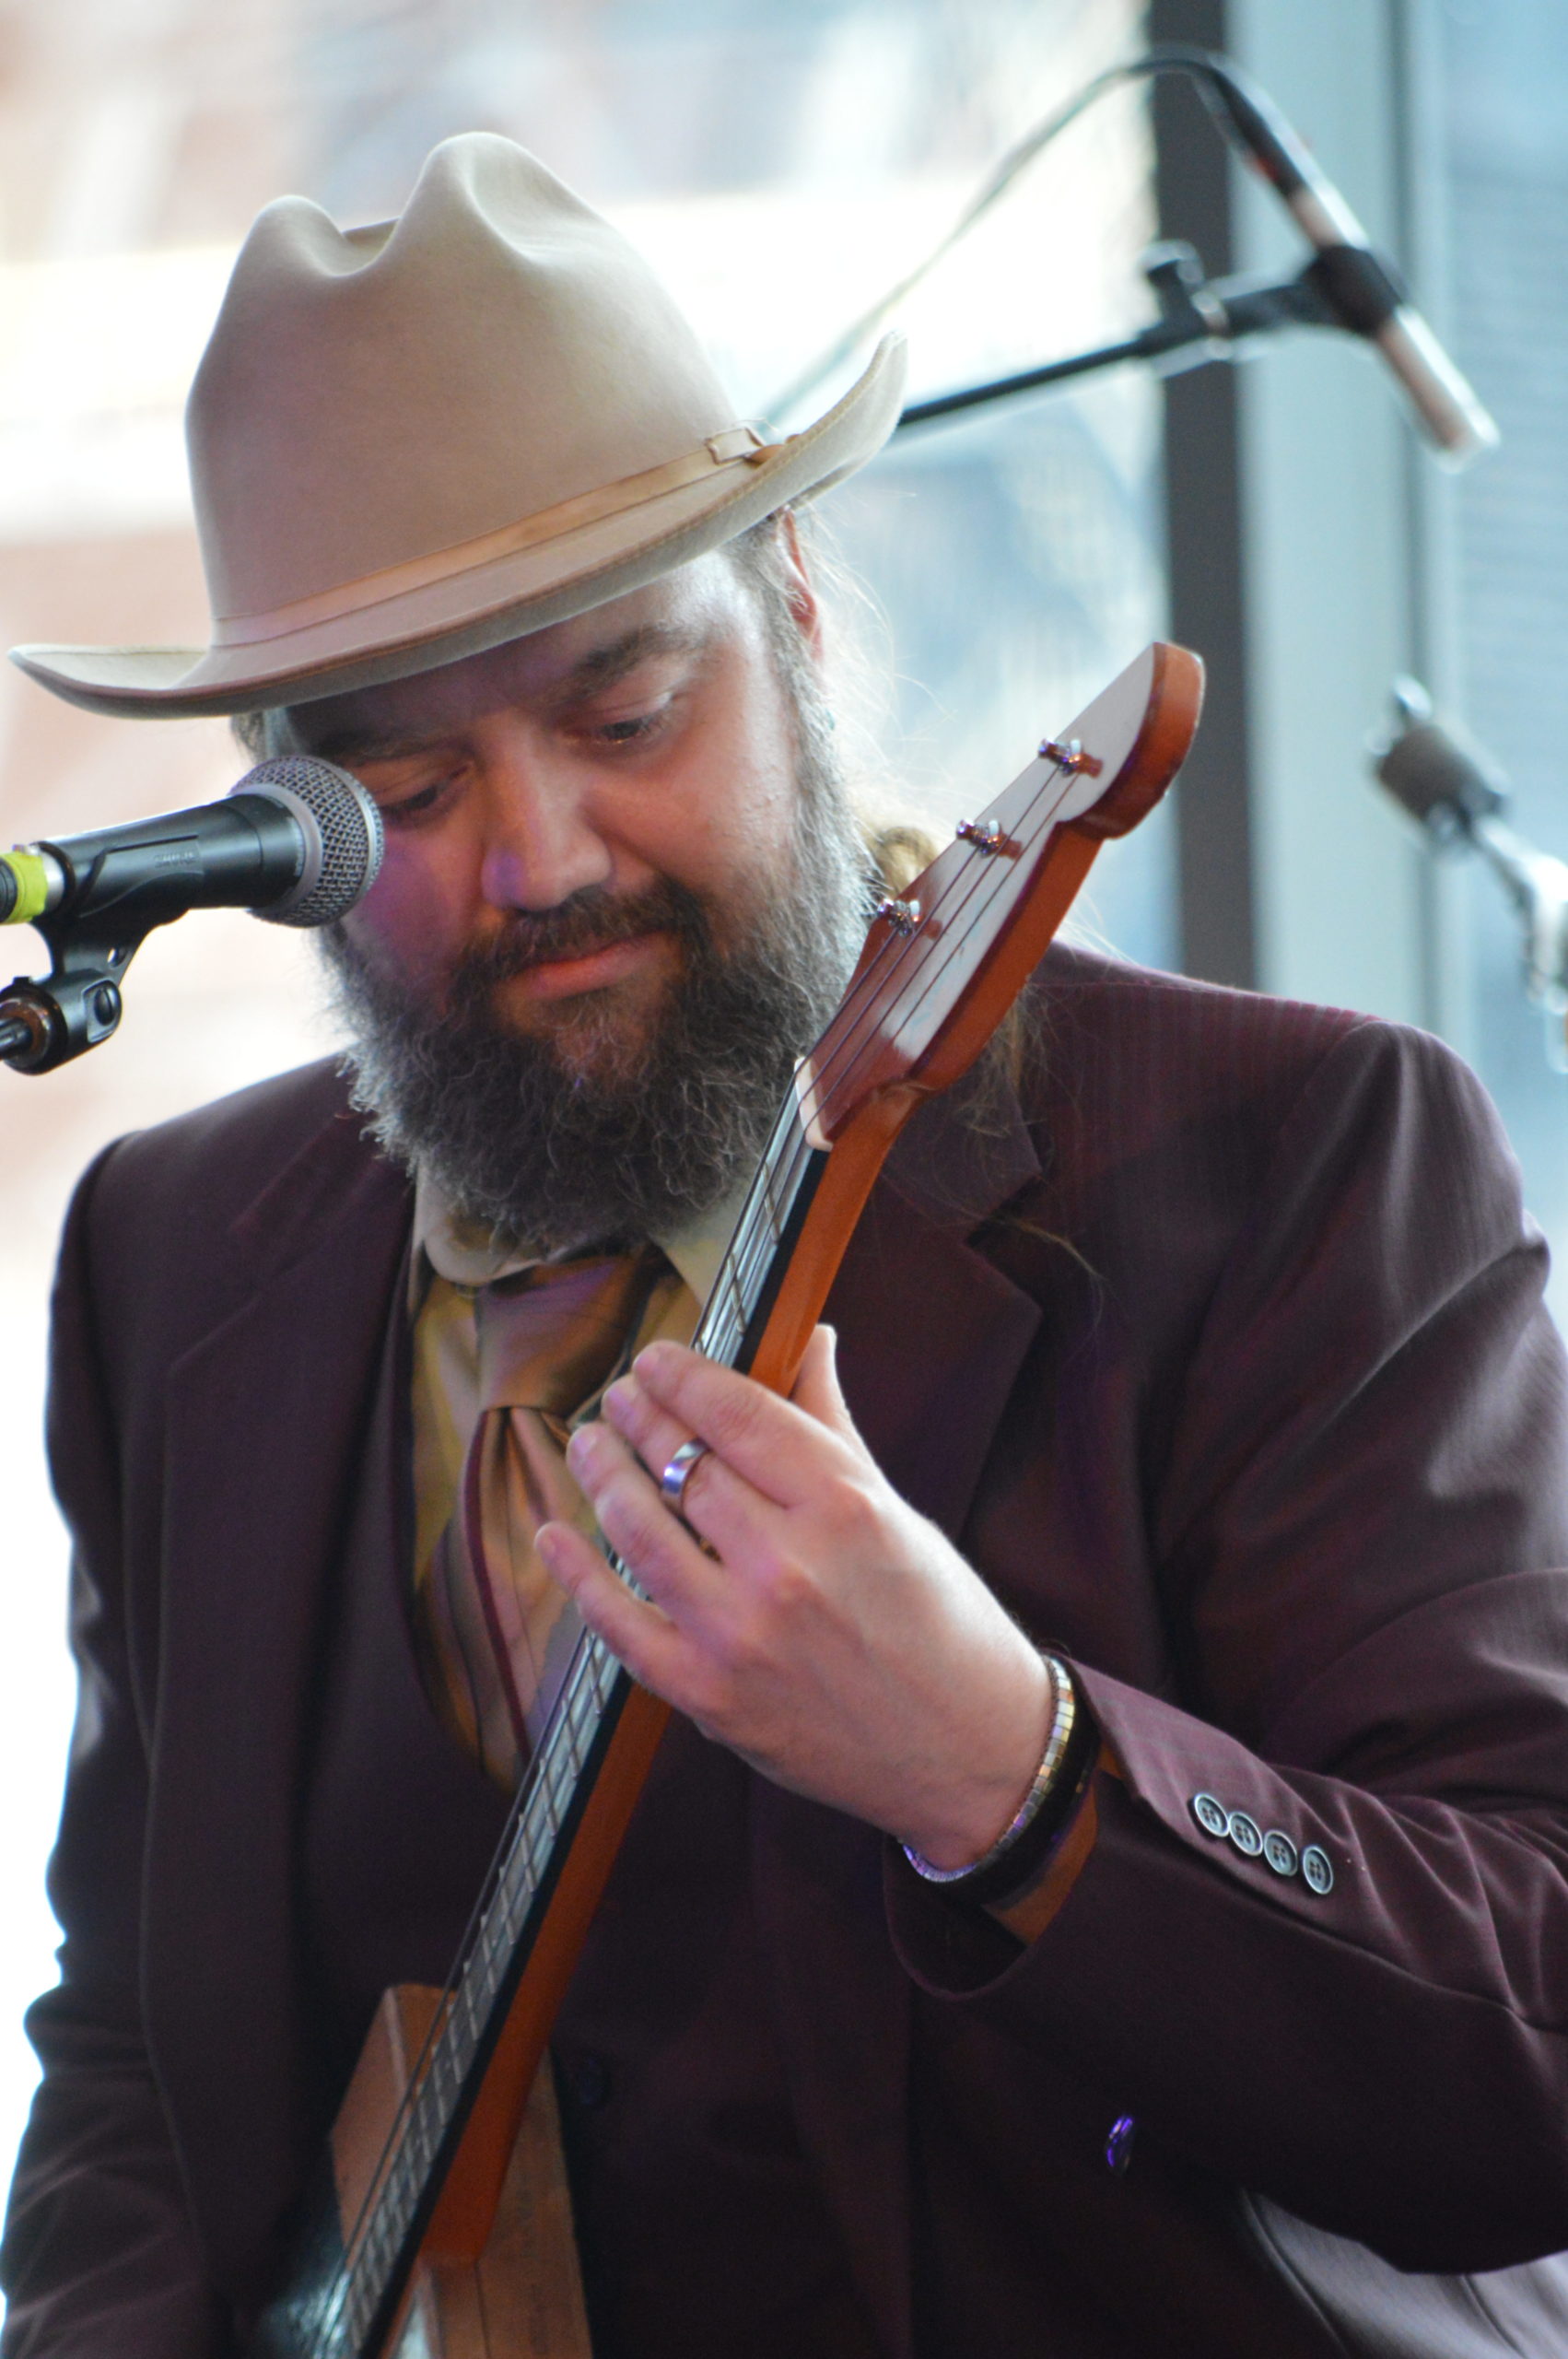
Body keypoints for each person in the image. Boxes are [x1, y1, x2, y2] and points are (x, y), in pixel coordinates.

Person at [5, 132, 1568, 2359]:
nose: (541, 854)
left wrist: (1006, 1769)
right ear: (278, 820)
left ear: (800, 612)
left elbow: (1531, 2038)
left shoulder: (1301, 1156)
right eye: (407, 793)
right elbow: (144, 2062)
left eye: (625, 708)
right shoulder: (178, 1258)